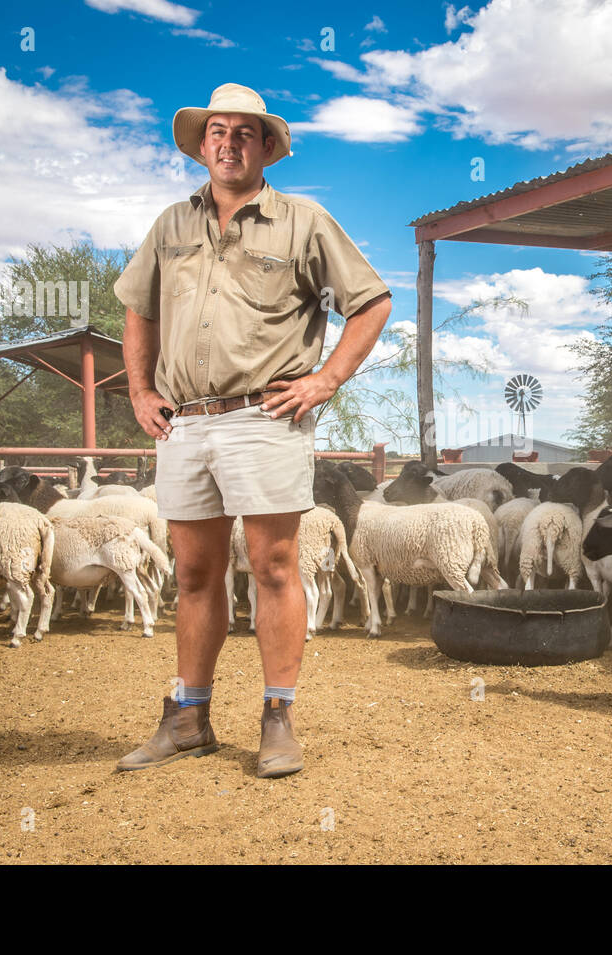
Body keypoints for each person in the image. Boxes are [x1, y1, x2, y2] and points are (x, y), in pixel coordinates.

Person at [113, 83, 391, 778]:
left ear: (267, 146)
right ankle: (189, 718)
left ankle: (277, 716)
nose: (228, 142)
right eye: (217, 131)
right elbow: (137, 311)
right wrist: (141, 390)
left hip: (265, 417)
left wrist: (324, 381)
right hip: (186, 422)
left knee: (272, 566)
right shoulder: (171, 225)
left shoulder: (303, 221)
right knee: (195, 572)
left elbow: (372, 301)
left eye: (244, 132)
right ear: (202, 144)